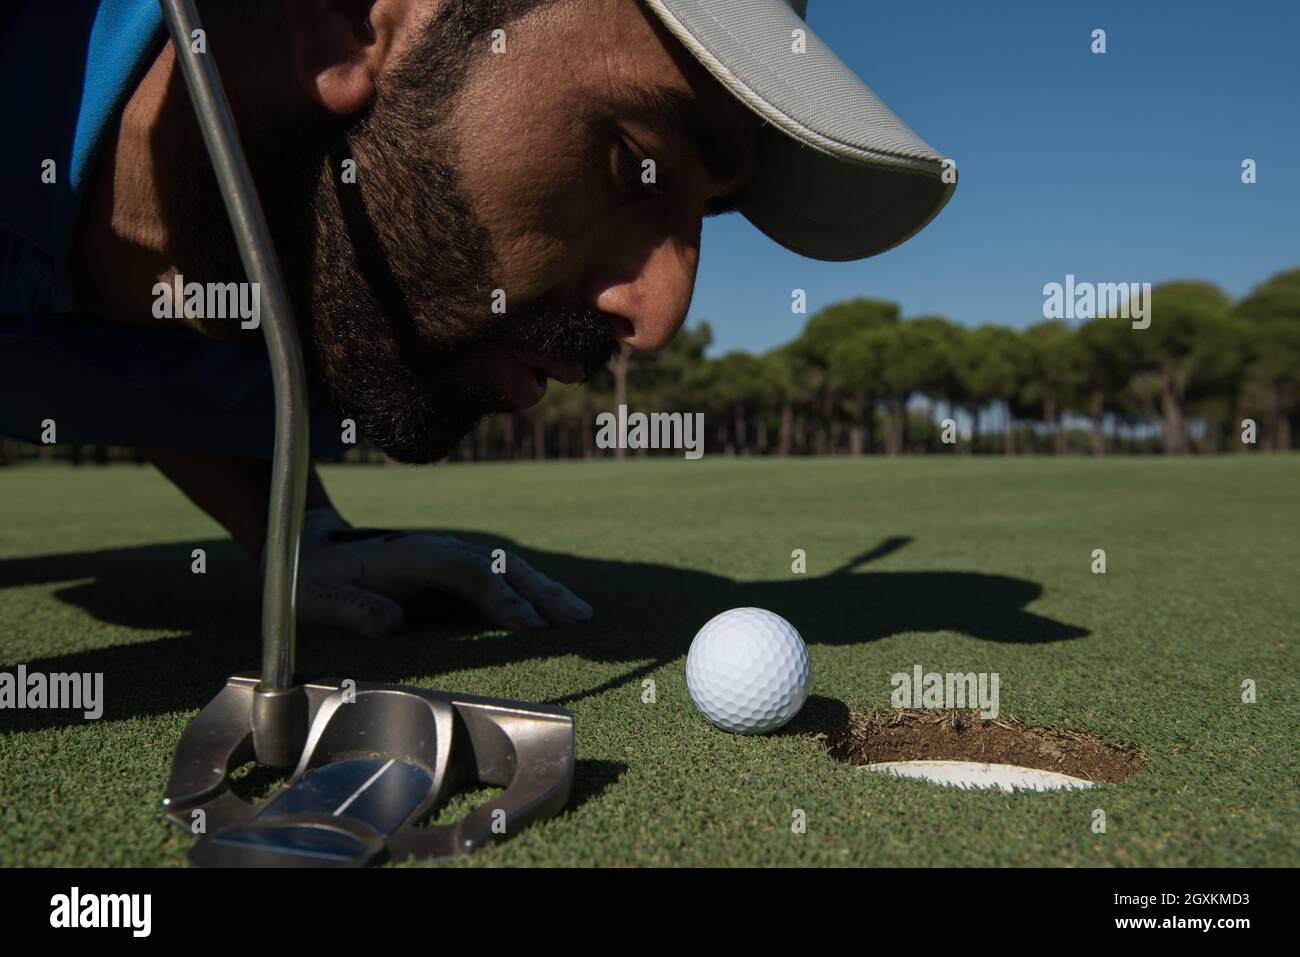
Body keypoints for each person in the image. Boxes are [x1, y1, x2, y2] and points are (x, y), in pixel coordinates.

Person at [0, 0, 954, 637]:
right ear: (342, 17)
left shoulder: (326, 291)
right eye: (634, 164)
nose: (660, 318)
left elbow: (187, 374)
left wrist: (300, 534)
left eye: (701, 217)